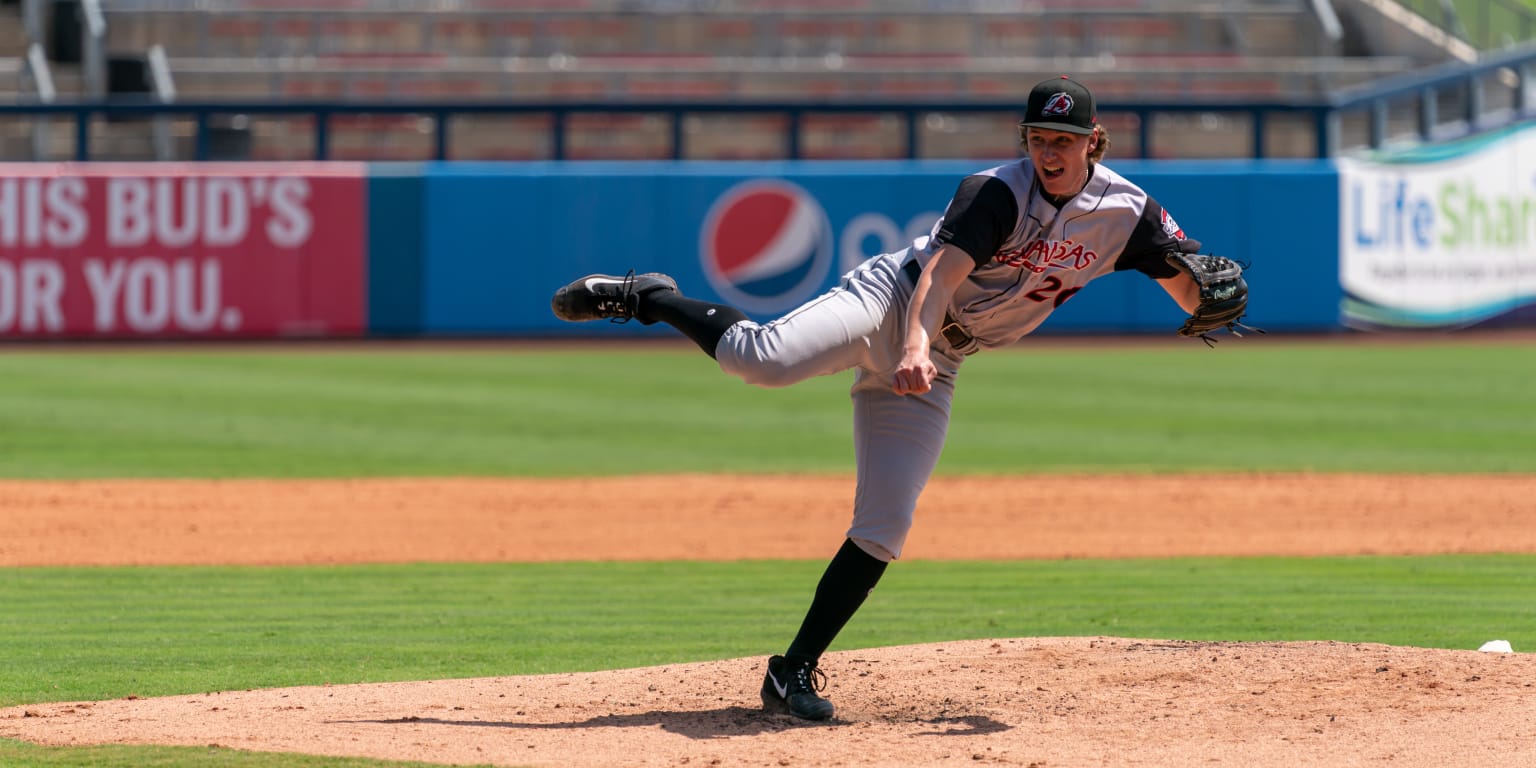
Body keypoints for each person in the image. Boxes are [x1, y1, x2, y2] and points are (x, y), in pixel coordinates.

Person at [549, 76, 1253, 721]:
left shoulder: (1127, 212)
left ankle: (792, 671)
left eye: (1065, 141)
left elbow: (1184, 280)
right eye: (1039, 138)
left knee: (884, 527)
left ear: (1093, 143)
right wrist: (913, 345)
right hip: (890, 304)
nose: (1050, 153)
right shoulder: (996, 192)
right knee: (763, 359)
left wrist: (1198, 299)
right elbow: (937, 281)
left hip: (944, 358)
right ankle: (648, 297)